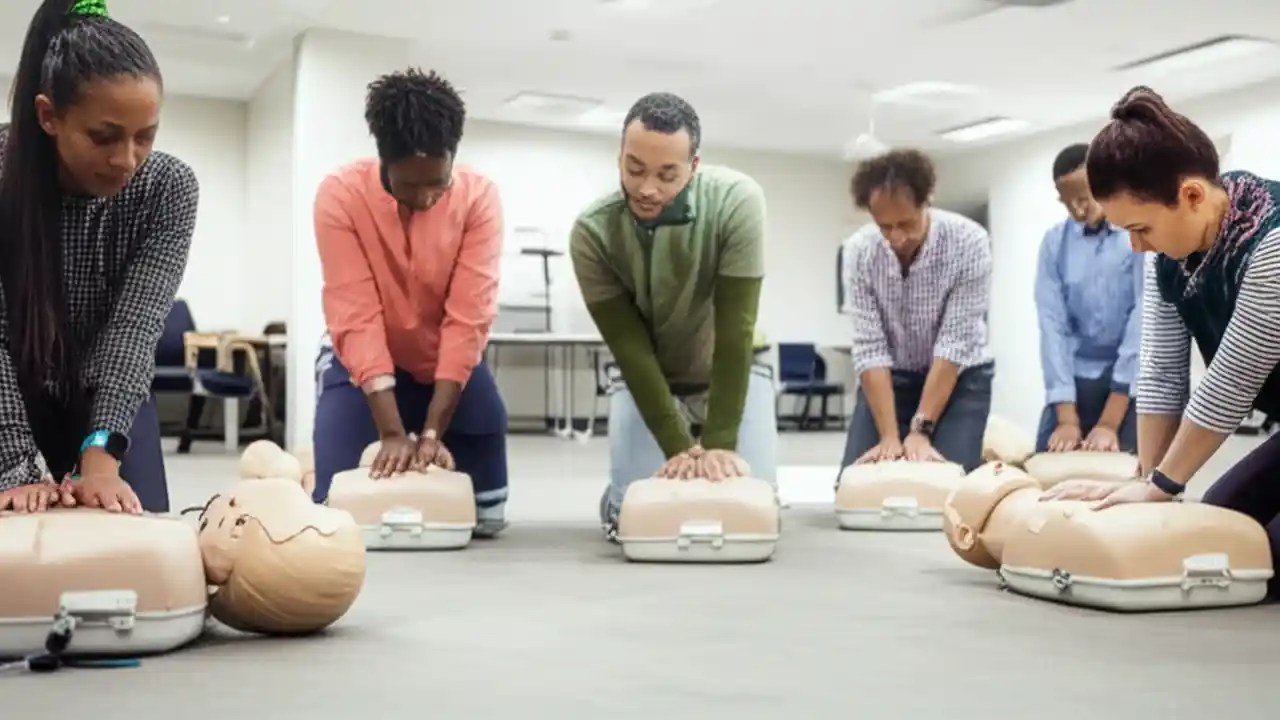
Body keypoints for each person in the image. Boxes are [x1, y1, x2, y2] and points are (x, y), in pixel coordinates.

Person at [1042, 86, 1280, 594]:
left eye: (1142, 227)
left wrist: (1164, 486)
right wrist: (1145, 480)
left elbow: (1231, 382)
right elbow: (1162, 372)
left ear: (1192, 195)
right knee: (1215, 532)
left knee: (1265, 559)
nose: (1135, 244)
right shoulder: (1167, 254)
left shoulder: (1273, 245)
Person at [0, 0, 198, 515]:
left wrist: (100, 458)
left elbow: (135, 328)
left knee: (137, 539)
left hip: (109, 393)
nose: (126, 159)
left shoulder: (169, 188)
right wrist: (15, 466)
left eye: (145, 136)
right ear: (48, 116)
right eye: (104, 136)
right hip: (8, 389)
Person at [311, 67, 509, 538]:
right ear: (383, 161)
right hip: (364, 368)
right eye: (408, 185)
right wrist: (394, 433)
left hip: (445, 361)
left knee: (487, 517)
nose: (424, 199)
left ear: (453, 158)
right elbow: (355, 314)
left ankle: (434, 424)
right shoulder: (339, 195)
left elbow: (468, 321)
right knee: (331, 508)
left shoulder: (479, 198)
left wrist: (432, 433)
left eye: (437, 184)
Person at [570, 92, 775, 533]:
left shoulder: (738, 202)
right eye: (635, 169)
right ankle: (618, 494)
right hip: (652, 375)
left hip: (732, 367)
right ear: (620, 157)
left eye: (667, 175)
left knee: (752, 512)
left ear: (694, 167)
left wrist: (718, 445)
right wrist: (677, 444)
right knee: (636, 516)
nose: (647, 188)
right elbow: (629, 347)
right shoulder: (592, 233)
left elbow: (735, 328)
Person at [839, 148, 993, 473]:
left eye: (906, 224)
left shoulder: (970, 242)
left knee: (947, 482)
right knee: (859, 479)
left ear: (928, 201)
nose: (896, 238)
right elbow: (870, 349)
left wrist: (920, 430)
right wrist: (890, 437)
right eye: (884, 226)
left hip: (960, 379)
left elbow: (954, 344)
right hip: (892, 376)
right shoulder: (859, 251)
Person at [1033, 143, 1143, 454]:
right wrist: (1067, 418)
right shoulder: (1054, 244)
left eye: (1084, 199)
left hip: (1130, 384)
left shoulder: (1138, 235)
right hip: (1076, 378)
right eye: (1068, 204)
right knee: (1045, 461)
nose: (1078, 211)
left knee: (1128, 473)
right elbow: (1052, 327)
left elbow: (1142, 323)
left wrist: (1109, 423)